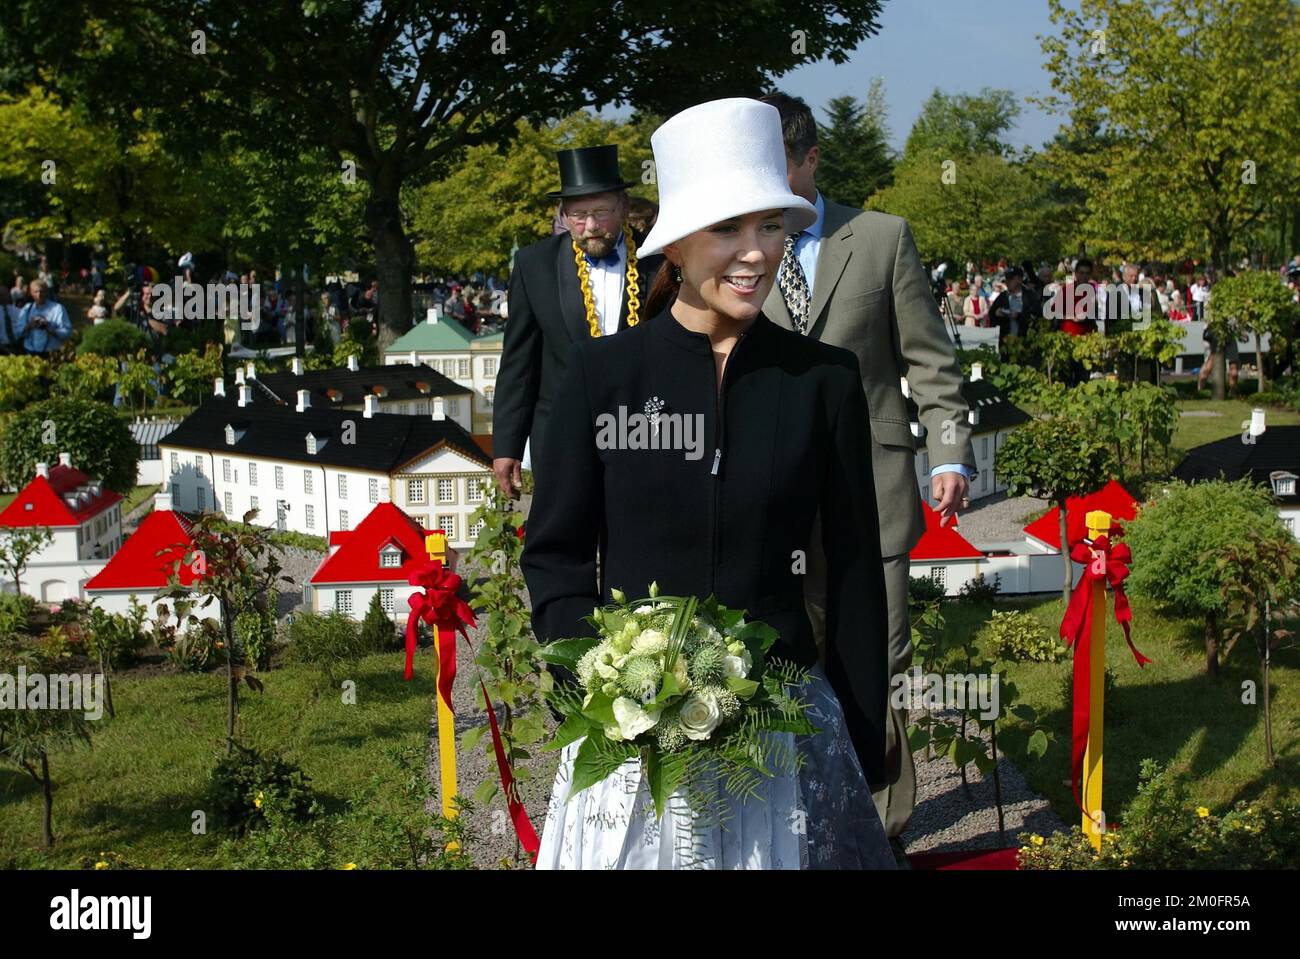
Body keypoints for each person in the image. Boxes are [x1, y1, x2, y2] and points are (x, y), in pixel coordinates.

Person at [522, 97, 896, 870]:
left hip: (785, 743)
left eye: (770, 225)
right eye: (729, 228)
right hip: (631, 757)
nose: (755, 252)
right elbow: (555, 558)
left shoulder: (823, 381)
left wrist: (857, 740)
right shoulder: (602, 377)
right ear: (678, 247)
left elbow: (854, 570)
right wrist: (602, 688)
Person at [757, 91, 974, 849]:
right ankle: (801, 825)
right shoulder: (738, 247)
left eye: (778, 163)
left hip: (873, 498)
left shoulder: (881, 238)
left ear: (812, 159)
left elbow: (932, 361)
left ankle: (881, 834)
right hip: (774, 502)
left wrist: (948, 450)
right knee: (785, 668)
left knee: (878, 666)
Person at [492, 144, 665, 494]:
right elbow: (519, 363)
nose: (590, 226)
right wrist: (507, 446)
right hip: (559, 440)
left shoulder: (661, 262)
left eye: (601, 213)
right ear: (564, 214)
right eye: (577, 215)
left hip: (645, 439)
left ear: (624, 206)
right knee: (567, 546)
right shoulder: (533, 265)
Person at [13, 278, 72, 354]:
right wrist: (29, 326)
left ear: (47, 292)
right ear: (31, 293)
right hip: (30, 351)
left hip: (51, 352)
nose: (39, 295)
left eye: (42, 291)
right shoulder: (27, 308)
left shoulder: (57, 308)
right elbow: (17, 332)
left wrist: (50, 329)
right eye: (36, 292)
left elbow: (67, 333)